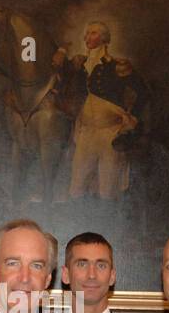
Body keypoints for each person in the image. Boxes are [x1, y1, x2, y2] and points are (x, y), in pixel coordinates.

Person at [55, 21, 148, 200]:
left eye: (93, 33)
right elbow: (61, 73)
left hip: (110, 132)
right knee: (77, 186)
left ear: (104, 38)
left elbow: (142, 93)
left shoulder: (117, 65)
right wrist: (62, 51)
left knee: (108, 187)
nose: (88, 37)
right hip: (86, 131)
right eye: (87, 33)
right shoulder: (79, 65)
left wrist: (131, 120)